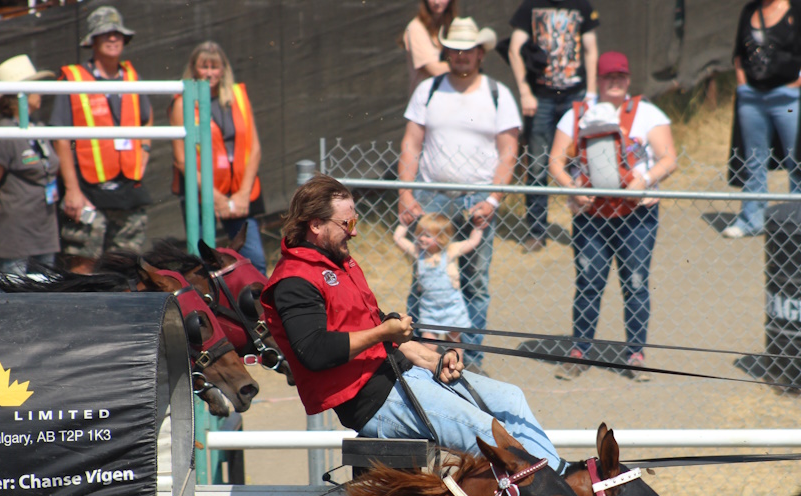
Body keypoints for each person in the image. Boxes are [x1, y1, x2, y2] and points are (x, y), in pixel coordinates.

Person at [261, 175, 562, 470]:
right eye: (347, 224)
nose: (354, 232)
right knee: (490, 436)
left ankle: (564, 481)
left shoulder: (339, 263)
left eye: (355, 222)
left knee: (510, 399)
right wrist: (383, 331)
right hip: (372, 400)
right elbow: (314, 351)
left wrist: (432, 359)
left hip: (402, 373)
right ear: (315, 225)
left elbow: (379, 331)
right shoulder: (294, 280)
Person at [397, 16, 521, 376]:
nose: (461, 56)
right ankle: (418, 353)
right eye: (454, 50)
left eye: (468, 50)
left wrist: (493, 200)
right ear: (446, 52)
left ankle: (469, 358)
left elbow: (508, 151)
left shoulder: (497, 94)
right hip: (432, 196)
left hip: (478, 197)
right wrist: (406, 193)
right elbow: (411, 142)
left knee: (475, 280)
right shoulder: (428, 90)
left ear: (480, 53)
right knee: (424, 276)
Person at [548, 51, 677, 382]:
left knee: (635, 284)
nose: (615, 82)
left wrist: (643, 181)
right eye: (609, 77)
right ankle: (580, 351)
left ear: (629, 79)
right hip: (591, 215)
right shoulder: (578, 114)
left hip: (637, 216)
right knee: (589, 282)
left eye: (621, 76)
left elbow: (668, 159)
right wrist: (571, 190)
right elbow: (556, 163)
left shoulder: (647, 114)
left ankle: (635, 354)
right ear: (599, 79)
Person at [49, 5, 152, 273]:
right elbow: (60, 137)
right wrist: (71, 190)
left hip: (128, 188)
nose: (113, 38)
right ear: (92, 40)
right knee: (82, 265)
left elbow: (147, 118)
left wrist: (144, 155)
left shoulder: (132, 76)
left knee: (126, 268)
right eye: (106, 33)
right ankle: (81, 315)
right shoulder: (73, 79)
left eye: (118, 33)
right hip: (87, 190)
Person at [722, 0, 801, 239]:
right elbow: (739, 54)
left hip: (787, 100)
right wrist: (742, 85)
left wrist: (799, 80)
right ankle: (751, 219)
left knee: (797, 156)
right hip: (752, 100)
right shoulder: (749, 10)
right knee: (753, 158)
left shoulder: (799, 10)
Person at [508, 0, 599, 253]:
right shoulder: (531, 6)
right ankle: (537, 230)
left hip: (575, 94)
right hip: (541, 97)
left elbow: (591, 49)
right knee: (538, 164)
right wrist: (525, 91)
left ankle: (586, 227)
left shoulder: (580, 6)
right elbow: (514, 48)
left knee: (581, 162)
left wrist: (591, 94)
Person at [169, 41, 266, 274]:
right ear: (193, 68)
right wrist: (216, 198)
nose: (210, 72)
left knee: (255, 262)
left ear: (224, 69)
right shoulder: (181, 103)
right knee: (203, 266)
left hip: (241, 193)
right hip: (203, 196)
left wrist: (243, 194)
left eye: (215, 66)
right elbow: (182, 160)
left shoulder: (238, 96)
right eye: (204, 66)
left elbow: (255, 148)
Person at [0, 55, 60, 275]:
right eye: (34, 87)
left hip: (45, 232)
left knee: (44, 296)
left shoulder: (38, 128)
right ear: (19, 96)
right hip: (17, 235)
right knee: (13, 297)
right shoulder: (5, 132)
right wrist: (6, 224)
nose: (40, 93)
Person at [393, 212, 482, 350]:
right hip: (430, 310)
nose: (421, 238)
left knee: (454, 342)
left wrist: (478, 228)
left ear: (441, 238)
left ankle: (456, 368)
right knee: (428, 345)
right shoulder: (418, 253)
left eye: (427, 236)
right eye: (419, 234)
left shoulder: (449, 252)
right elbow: (398, 238)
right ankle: (430, 370)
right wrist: (404, 224)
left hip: (452, 308)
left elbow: (472, 242)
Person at [402, 0, 457, 95]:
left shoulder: (450, 25)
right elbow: (435, 70)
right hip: (426, 101)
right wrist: (464, 65)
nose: (436, 2)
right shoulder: (416, 28)